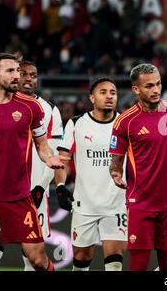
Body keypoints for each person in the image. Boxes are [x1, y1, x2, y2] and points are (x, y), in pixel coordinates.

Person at [0, 52, 68, 271]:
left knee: (39, 261)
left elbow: (42, 145)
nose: (17, 76)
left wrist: (48, 157)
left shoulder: (32, 108)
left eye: (18, 71)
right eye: (11, 71)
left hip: (19, 196)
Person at [109, 63, 167, 271]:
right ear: (136, 89)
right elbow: (116, 160)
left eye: (158, 84)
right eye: (149, 86)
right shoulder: (124, 121)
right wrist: (116, 173)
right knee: (139, 264)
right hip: (141, 203)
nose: (156, 90)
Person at [54, 77, 127, 271]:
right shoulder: (77, 123)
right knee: (81, 259)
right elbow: (63, 158)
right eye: (103, 92)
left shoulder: (125, 124)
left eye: (113, 92)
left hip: (117, 203)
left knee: (114, 262)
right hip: (84, 203)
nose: (109, 96)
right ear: (92, 98)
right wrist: (60, 187)